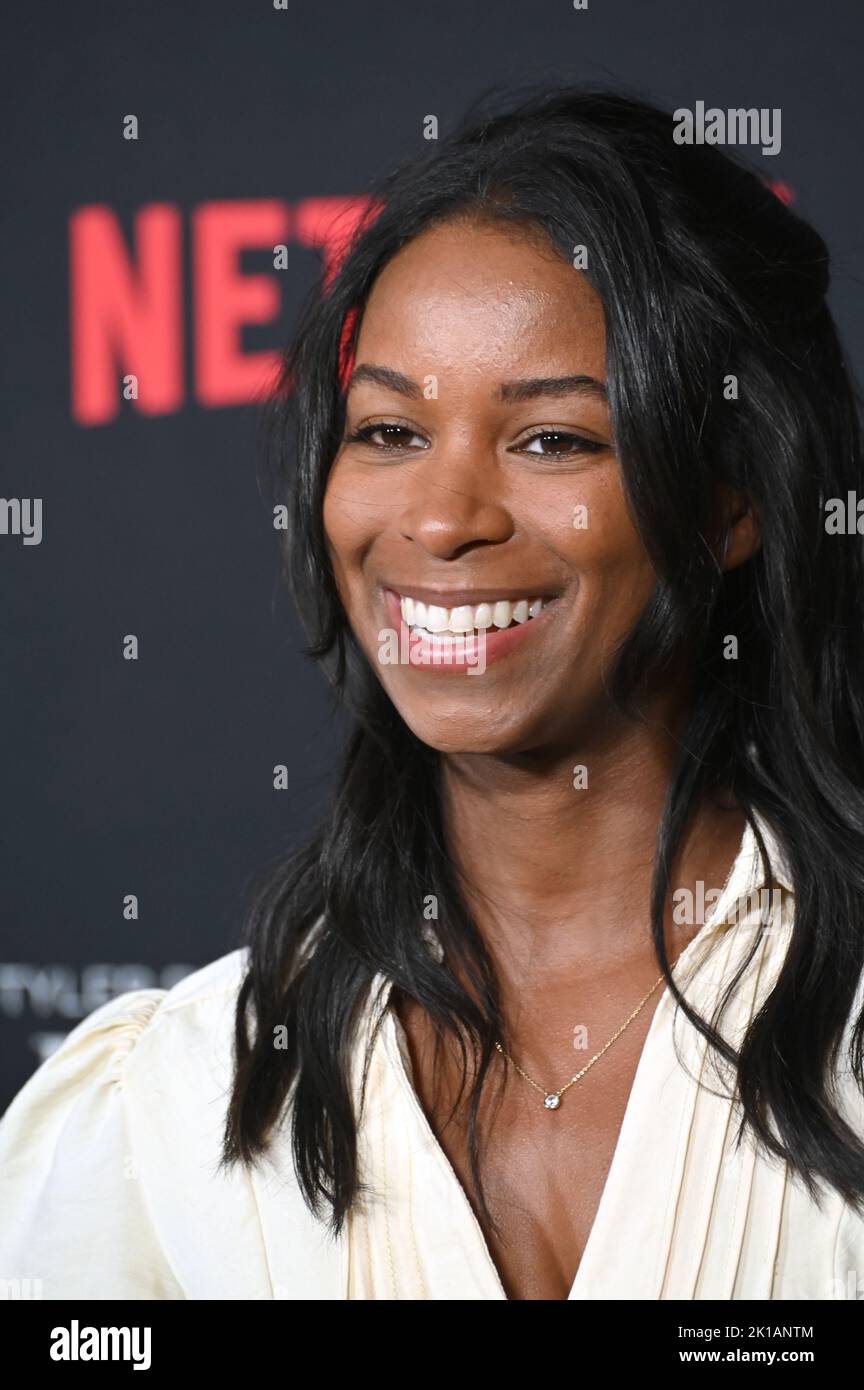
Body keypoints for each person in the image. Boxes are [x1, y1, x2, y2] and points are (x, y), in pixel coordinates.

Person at [2, 84, 864, 1302]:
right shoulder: (177, 1104)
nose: (444, 519)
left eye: (554, 439)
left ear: (734, 501)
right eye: (391, 433)